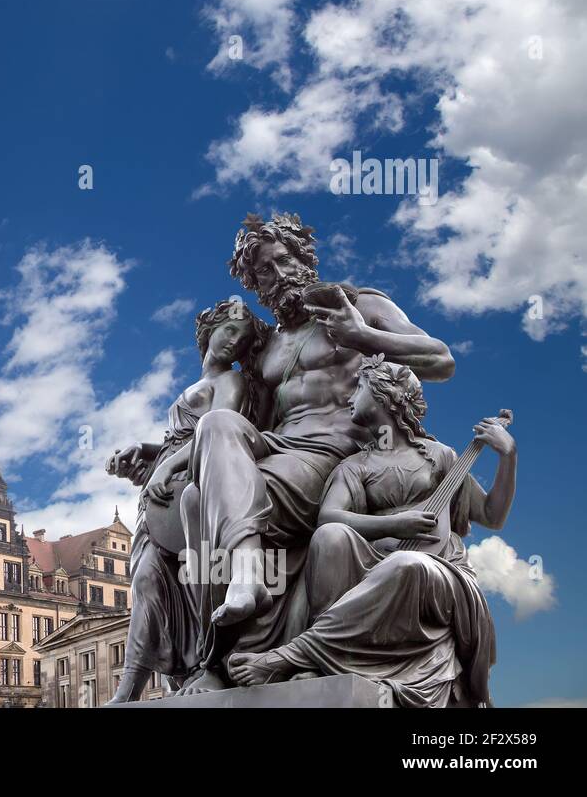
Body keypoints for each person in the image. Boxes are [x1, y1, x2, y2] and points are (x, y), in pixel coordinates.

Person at [177, 213, 455, 693]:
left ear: (306, 258)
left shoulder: (358, 303)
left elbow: (440, 360)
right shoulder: (264, 347)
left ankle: (238, 644)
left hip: (334, 453)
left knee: (205, 501)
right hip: (280, 447)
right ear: (255, 284)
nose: (280, 273)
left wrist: (364, 336)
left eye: (286, 259)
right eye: (265, 270)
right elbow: (238, 412)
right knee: (203, 464)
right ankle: (229, 625)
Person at [227, 355, 516, 707]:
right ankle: (324, 658)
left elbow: (492, 514)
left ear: (385, 395)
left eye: (359, 387)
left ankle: (291, 655)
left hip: (438, 577)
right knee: (331, 537)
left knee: (408, 565)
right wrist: (394, 524)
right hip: (376, 567)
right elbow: (329, 517)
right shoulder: (356, 466)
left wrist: (508, 456)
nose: (350, 398)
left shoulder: (439, 457)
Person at [107, 299, 270, 702]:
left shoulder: (231, 383)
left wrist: (164, 467)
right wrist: (142, 451)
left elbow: (212, 432)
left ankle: (204, 661)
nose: (233, 343)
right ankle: (129, 688)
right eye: (229, 331)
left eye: (243, 339)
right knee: (145, 580)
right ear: (209, 329)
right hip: (162, 495)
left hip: (195, 482)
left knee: (193, 575)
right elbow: (175, 439)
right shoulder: (194, 385)